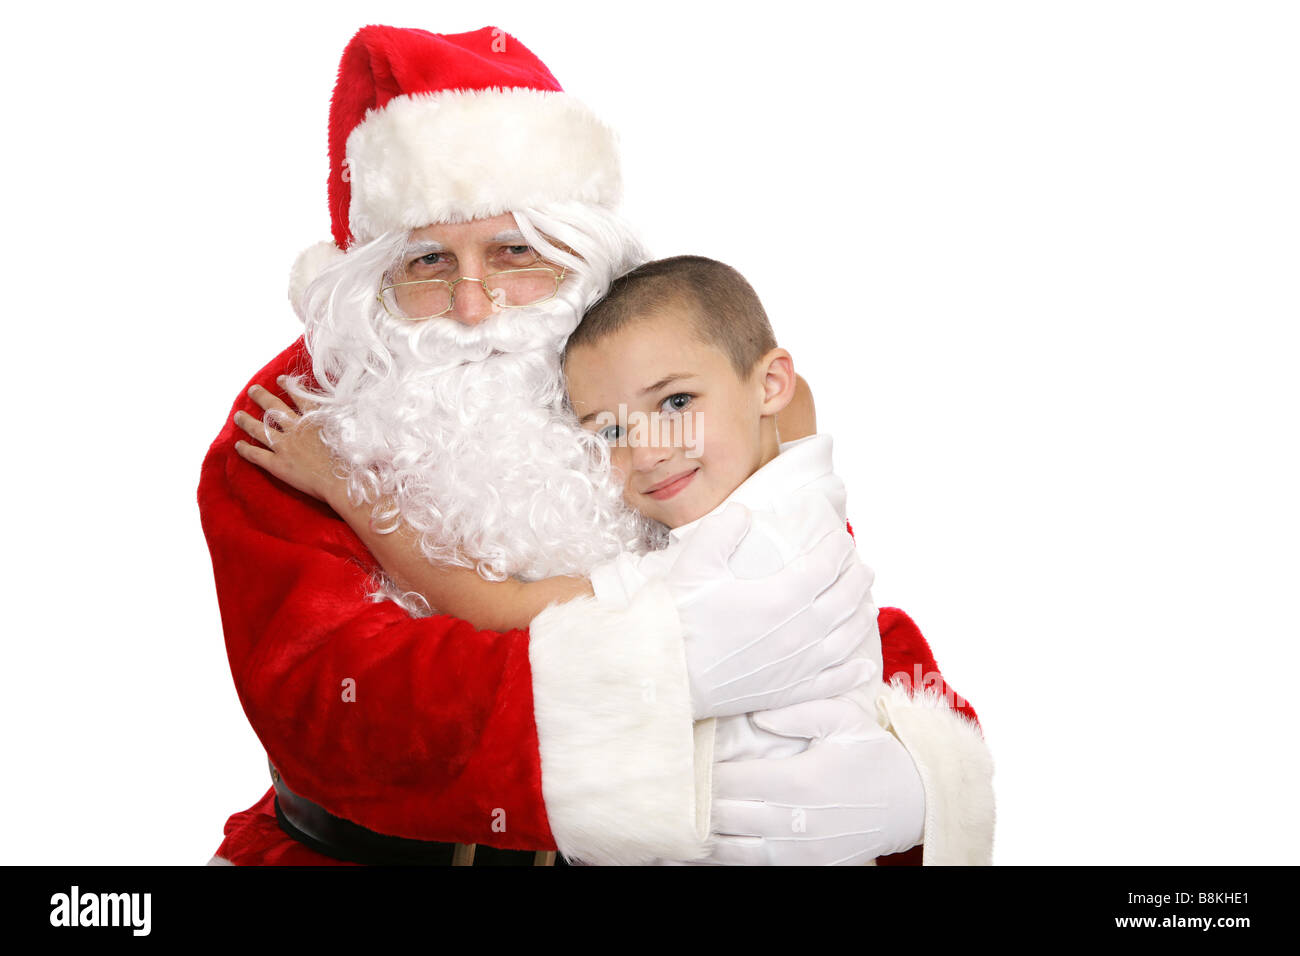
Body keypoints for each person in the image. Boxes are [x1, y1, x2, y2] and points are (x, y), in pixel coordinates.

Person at [200, 23, 993, 866]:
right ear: (370, 279)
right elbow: (327, 701)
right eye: (429, 262)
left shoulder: (650, 365)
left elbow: (818, 585)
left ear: (573, 245)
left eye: (513, 252)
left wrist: (919, 769)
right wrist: (651, 677)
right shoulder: (306, 418)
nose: (475, 306)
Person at [236, 254, 904, 863]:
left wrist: (351, 490)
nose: (646, 451)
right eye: (608, 431)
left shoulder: (719, 554)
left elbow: (498, 611)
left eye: (675, 403)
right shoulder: (791, 476)